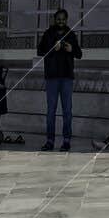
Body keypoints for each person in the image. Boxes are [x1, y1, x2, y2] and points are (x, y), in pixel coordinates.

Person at [36, 9, 81, 152]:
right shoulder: (48, 34)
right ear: (54, 20)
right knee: (51, 111)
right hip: (52, 77)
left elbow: (79, 54)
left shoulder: (71, 34)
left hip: (67, 77)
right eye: (58, 19)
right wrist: (52, 48)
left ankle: (66, 141)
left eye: (63, 19)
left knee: (67, 111)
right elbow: (39, 51)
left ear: (66, 20)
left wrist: (71, 49)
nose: (61, 21)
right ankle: (50, 141)